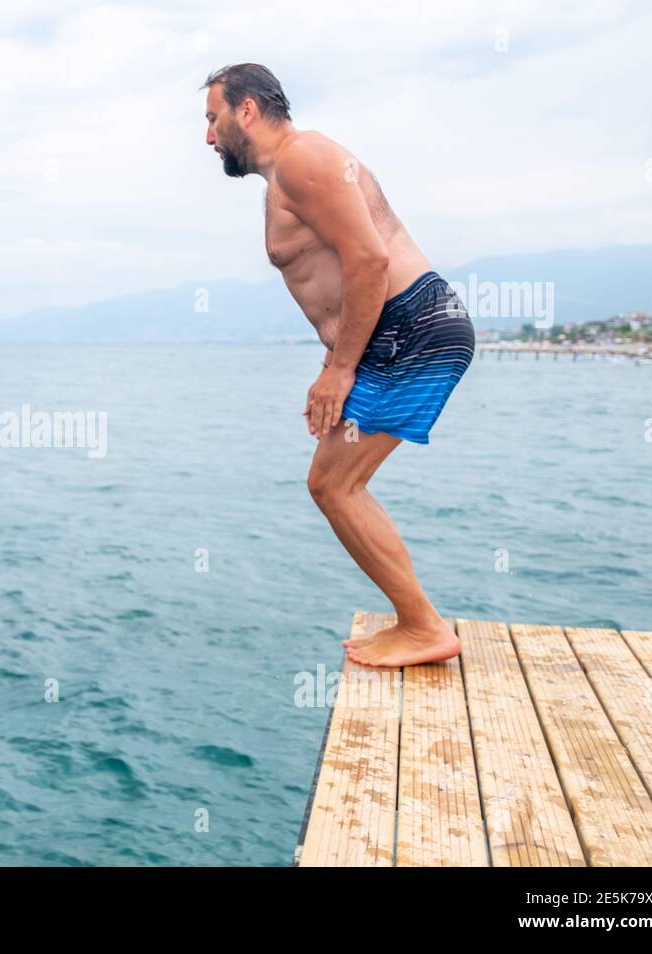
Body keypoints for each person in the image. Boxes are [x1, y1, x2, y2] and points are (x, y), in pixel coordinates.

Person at [202, 63, 476, 668]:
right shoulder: (293, 170)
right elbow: (335, 272)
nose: (208, 137)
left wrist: (342, 367)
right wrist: (332, 359)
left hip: (409, 327)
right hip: (394, 331)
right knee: (333, 482)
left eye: (213, 118)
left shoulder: (304, 159)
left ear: (247, 110)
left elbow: (369, 260)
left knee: (333, 483)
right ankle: (419, 622)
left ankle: (424, 626)